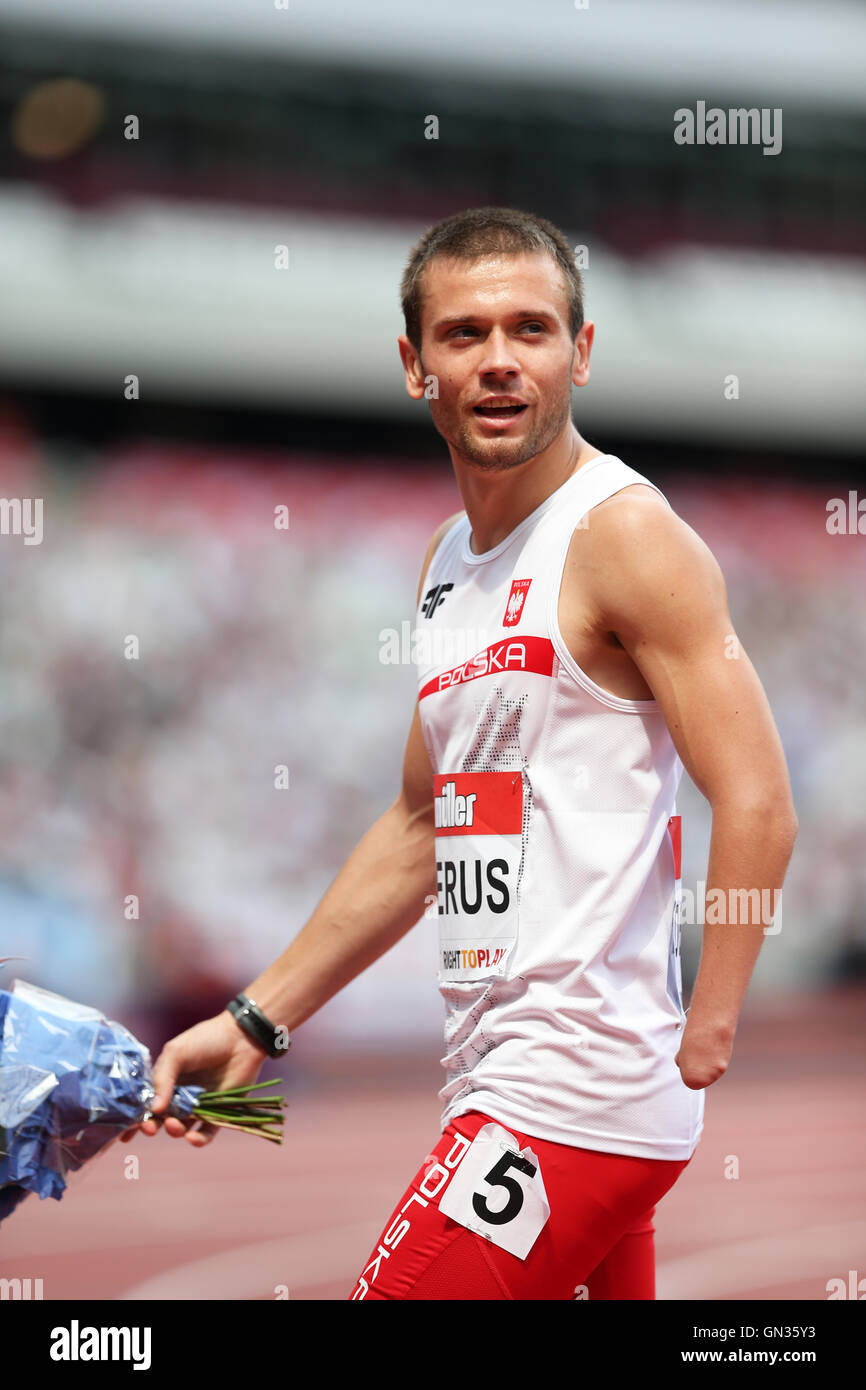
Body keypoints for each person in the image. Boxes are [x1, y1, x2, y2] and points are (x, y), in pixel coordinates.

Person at [120, 207, 798, 1300]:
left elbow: (756, 790)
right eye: (463, 333)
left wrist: (711, 1016)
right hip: (500, 1072)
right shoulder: (448, 562)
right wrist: (258, 1014)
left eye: (529, 330)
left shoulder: (622, 533)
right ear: (412, 365)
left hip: (573, 1092)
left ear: (579, 353)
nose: (496, 361)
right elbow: (424, 819)